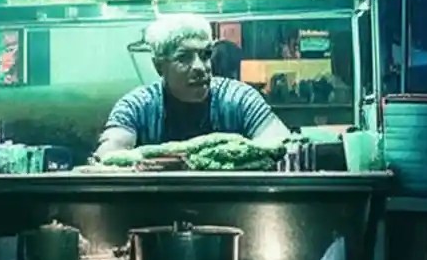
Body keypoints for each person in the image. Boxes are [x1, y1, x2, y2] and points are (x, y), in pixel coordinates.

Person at [96, 14, 289, 157]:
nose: (200, 67)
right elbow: (110, 154)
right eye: (183, 58)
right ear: (159, 66)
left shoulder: (239, 99)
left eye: (205, 55)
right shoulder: (137, 106)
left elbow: (281, 145)